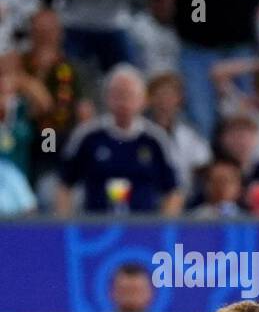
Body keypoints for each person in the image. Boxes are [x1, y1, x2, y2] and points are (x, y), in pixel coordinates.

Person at [56, 64, 182, 215]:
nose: (123, 102)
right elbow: (64, 186)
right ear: (107, 97)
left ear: (142, 99)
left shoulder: (155, 138)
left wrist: (163, 228)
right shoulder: (88, 135)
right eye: (117, 95)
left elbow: (173, 191)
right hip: (96, 227)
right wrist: (65, 226)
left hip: (143, 229)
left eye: (129, 95)